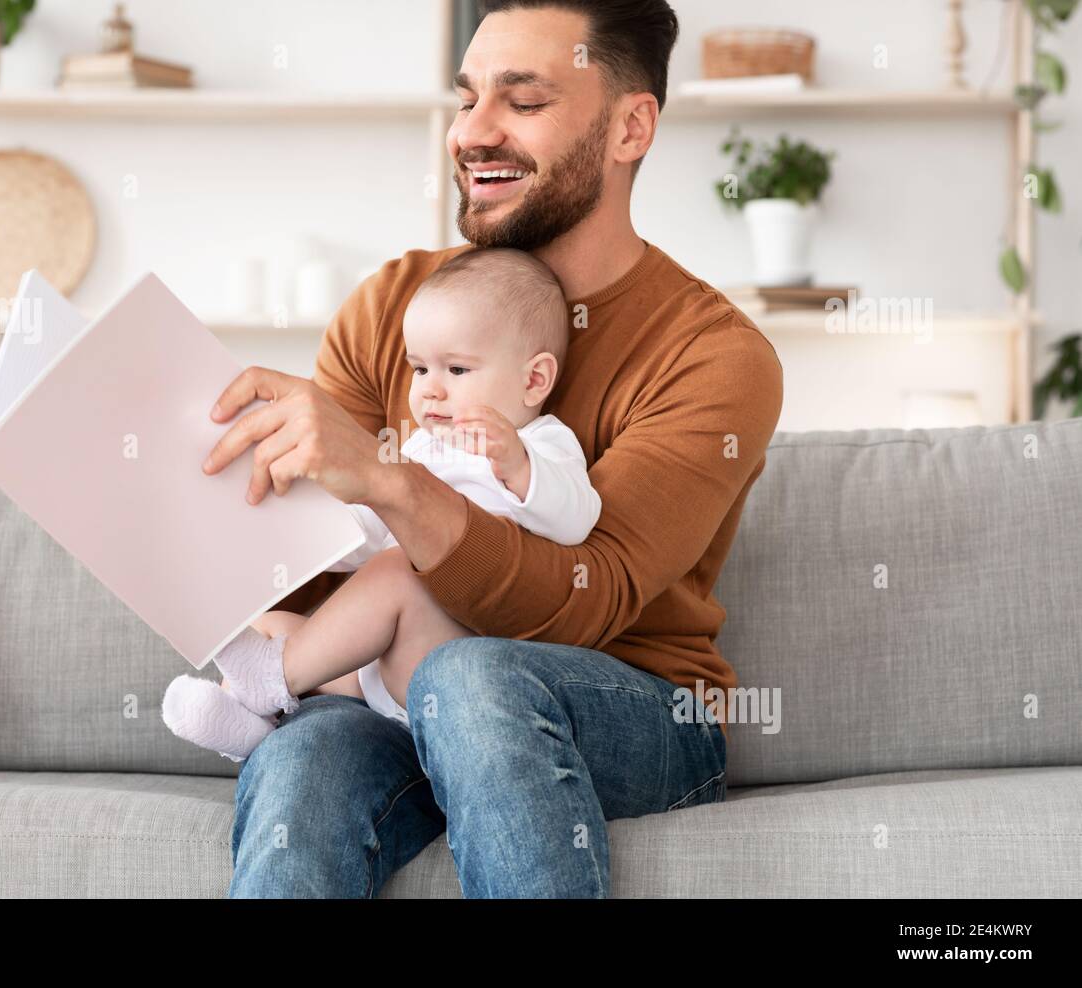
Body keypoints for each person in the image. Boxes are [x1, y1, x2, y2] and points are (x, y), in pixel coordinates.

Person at [200, 0, 783, 897]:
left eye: (523, 100)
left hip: (632, 708)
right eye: (468, 97)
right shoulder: (396, 301)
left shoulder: (714, 355)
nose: (471, 132)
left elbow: (585, 605)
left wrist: (391, 481)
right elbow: (324, 590)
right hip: (394, 690)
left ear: (632, 126)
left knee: (472, 680)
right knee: (308, 754)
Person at [161, 248, 602, 759]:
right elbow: (362, 536)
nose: (430, 391)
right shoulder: (417, 451)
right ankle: (245, 725)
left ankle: (268, 683)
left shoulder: (544, 445)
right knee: (272, 625)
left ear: (534, 380)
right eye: (418, 369)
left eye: (456, 370)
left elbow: (577, 521)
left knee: (397, 572)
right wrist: (308, 522)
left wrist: (520, 467)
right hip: (375, 674)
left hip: (459, 670)